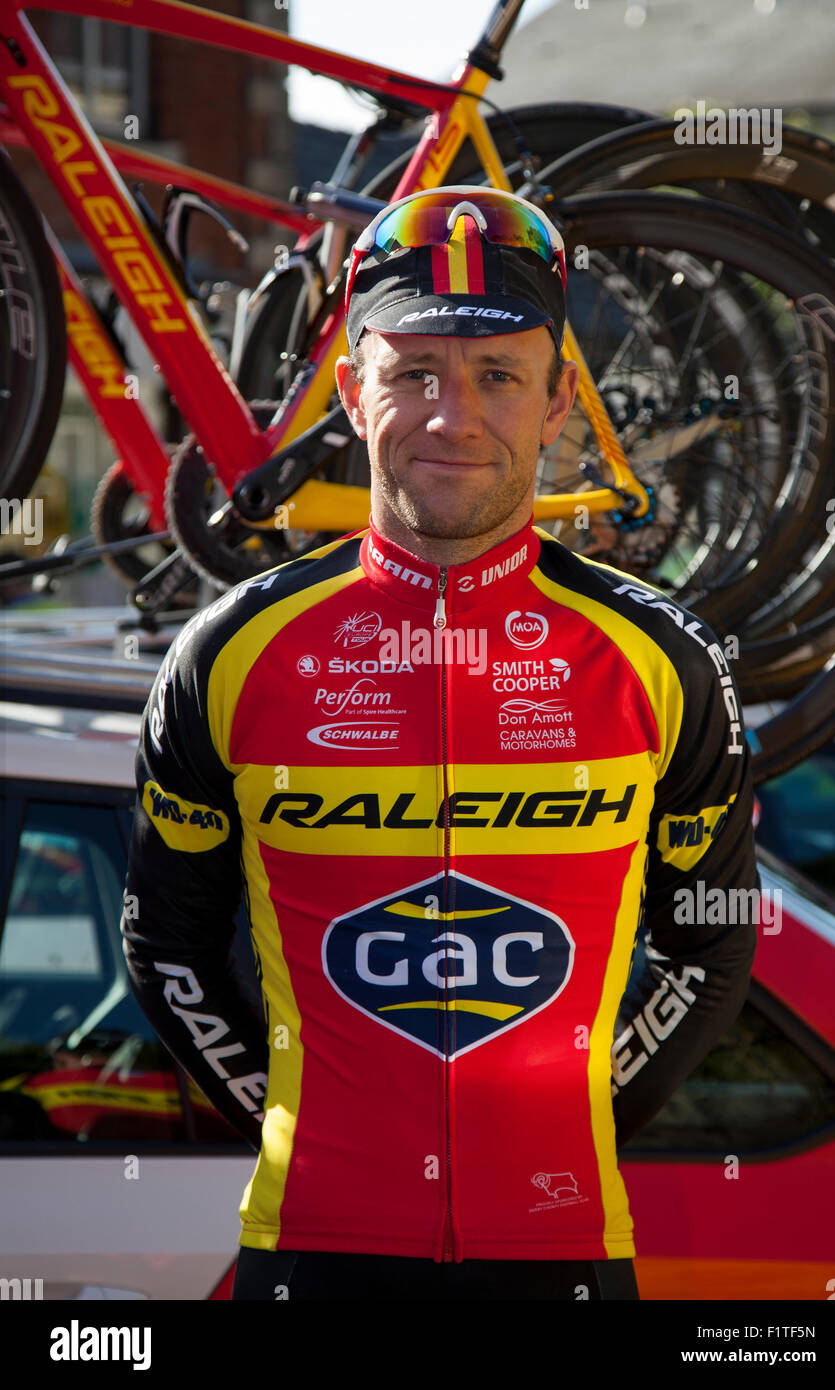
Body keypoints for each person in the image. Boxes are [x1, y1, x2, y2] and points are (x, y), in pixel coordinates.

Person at [121, 186, 758, 1302]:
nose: (449, 415)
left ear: (559, 399)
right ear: (350, 396)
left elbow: (707, 945)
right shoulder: (230, 651)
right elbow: (168, 943)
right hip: (314, 1246)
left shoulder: (662, 659)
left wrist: (566, 1122)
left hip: (562, 1253)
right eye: (411, 373)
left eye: (496, 376)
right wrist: (296, 1110)